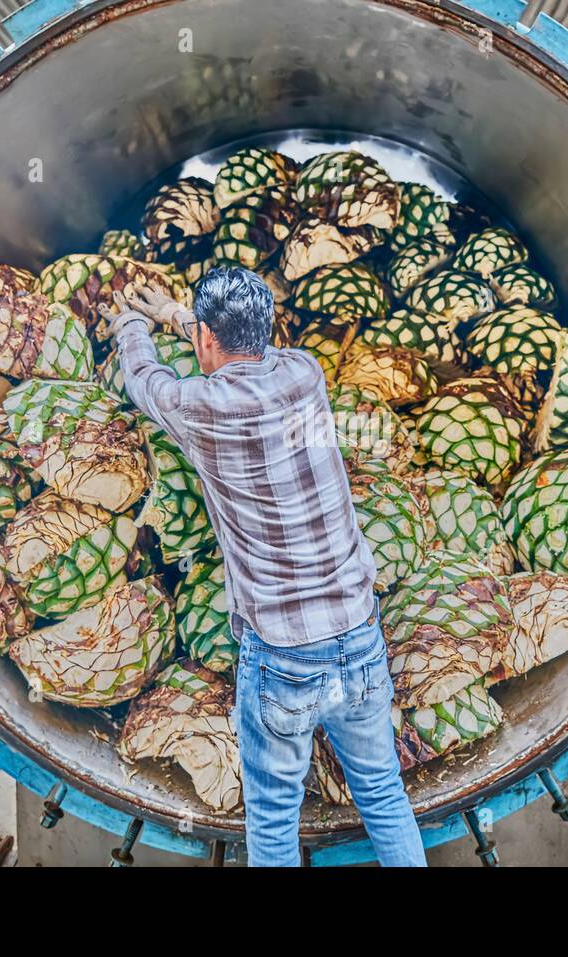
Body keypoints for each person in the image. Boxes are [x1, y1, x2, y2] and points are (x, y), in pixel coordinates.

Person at [108, 267, 426, 867]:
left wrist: (131, 321)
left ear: (204, 338)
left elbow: (144, 378)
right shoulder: (304, 373)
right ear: (270, 327)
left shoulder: (195, 406)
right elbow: (249, 352)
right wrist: (185, 316)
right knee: (383, 792)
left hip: (284, 656)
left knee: (274, 816)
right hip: (359, 637)